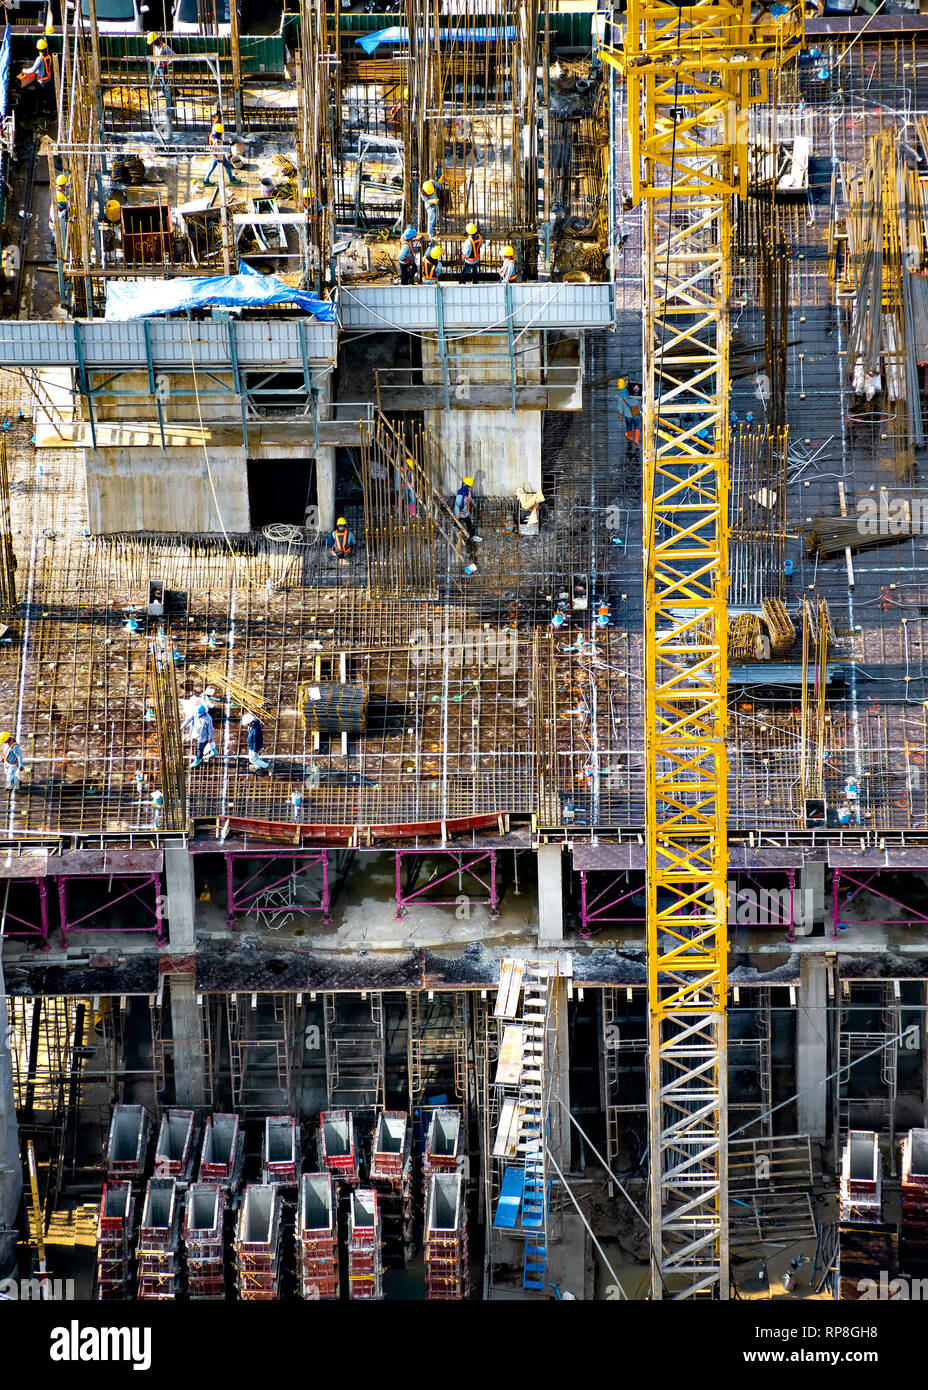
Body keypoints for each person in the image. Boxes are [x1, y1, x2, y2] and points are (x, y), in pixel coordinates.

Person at [203, 120, 242, 187]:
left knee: (212, 168)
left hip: (213, 154)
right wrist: (230, 144)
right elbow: (223, 148)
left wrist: (226, 143)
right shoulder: (217, 141)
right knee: (227, 166)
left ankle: (206, 180)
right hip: (219, 156)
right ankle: (231, 179)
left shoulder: (211, 136)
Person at [22, 38, 55, 116]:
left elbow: (32, 70)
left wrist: (25, 70)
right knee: (49, 95)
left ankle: (43, 110)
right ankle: (48, 106)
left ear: (39, 49)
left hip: (42, 82)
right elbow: (44, 67)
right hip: (49, 79)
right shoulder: (48, 56)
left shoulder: (39, 59)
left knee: (39, 96)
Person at [147, 32, 174, 115]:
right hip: (157, 66)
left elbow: (173, 56)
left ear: (155, 40)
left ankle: (169, 93)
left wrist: (166, 63)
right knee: (161, 80)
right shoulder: (155, 47)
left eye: (152, 42)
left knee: (165, 81)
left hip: (163, 68)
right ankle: (163, 92)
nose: (151, 44)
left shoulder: (165, 47)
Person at [182, 703, 215, 769]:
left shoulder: (208, 718)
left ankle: (198, 759)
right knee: (204, 746)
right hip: (195, 733)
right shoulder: (195, 712)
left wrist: (210, 738)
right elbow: (188, 719)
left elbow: (210, 729)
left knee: (200, 748)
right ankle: (213, 749)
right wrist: (183, 726)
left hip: (203, 736)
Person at [454, 476, 481, 543]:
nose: (470, 488)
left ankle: (455, 527)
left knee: (463, 522)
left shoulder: (466, 492)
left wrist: (473, 503)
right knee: (468, 524)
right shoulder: (460, 495)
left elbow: (469, 498)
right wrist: (457, 514)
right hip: (461, 513)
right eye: (470, 486)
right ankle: (472, 536)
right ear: (467, 486)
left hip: (466, 513)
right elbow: (457, 505)